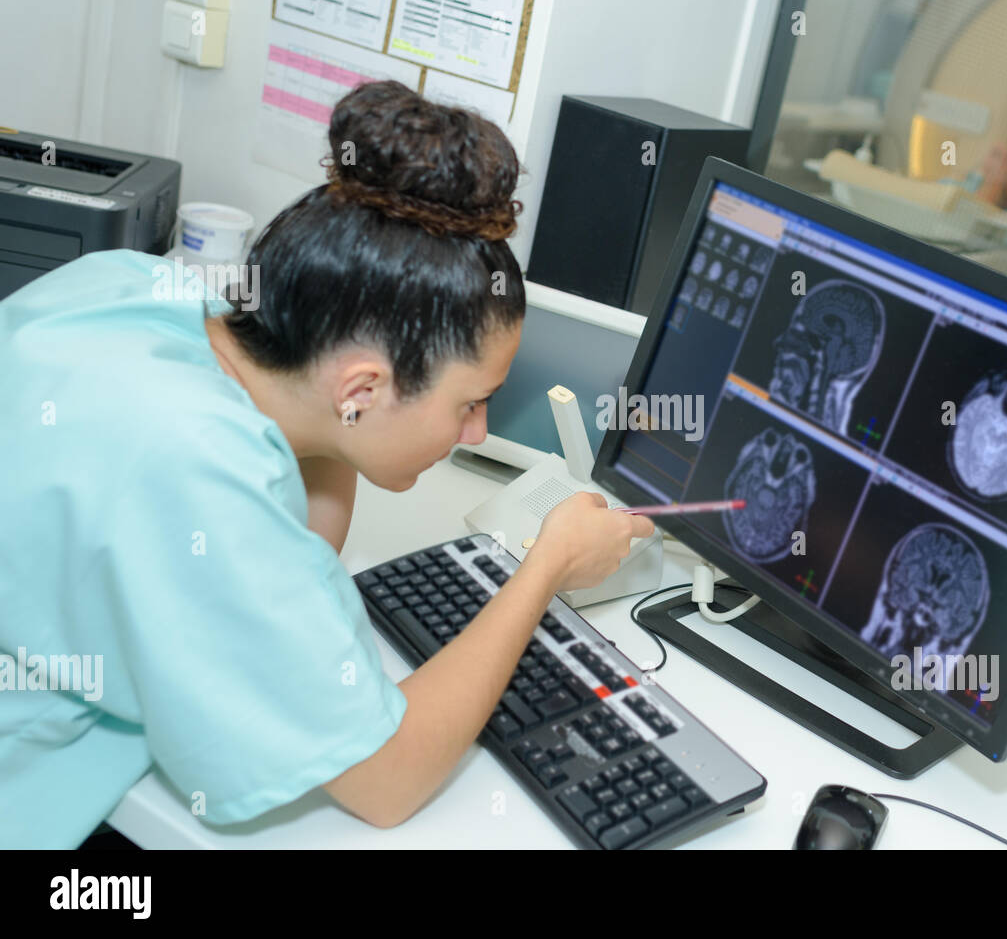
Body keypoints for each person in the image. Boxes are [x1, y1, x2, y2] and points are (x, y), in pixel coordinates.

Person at [0, 79, 654, 847]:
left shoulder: (131, 287)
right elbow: (387, 780)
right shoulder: (207, 477)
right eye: (470, 402)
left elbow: (306, 539)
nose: (476, 433)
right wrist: (544, 569)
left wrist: (344, 422)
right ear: (362, 387)